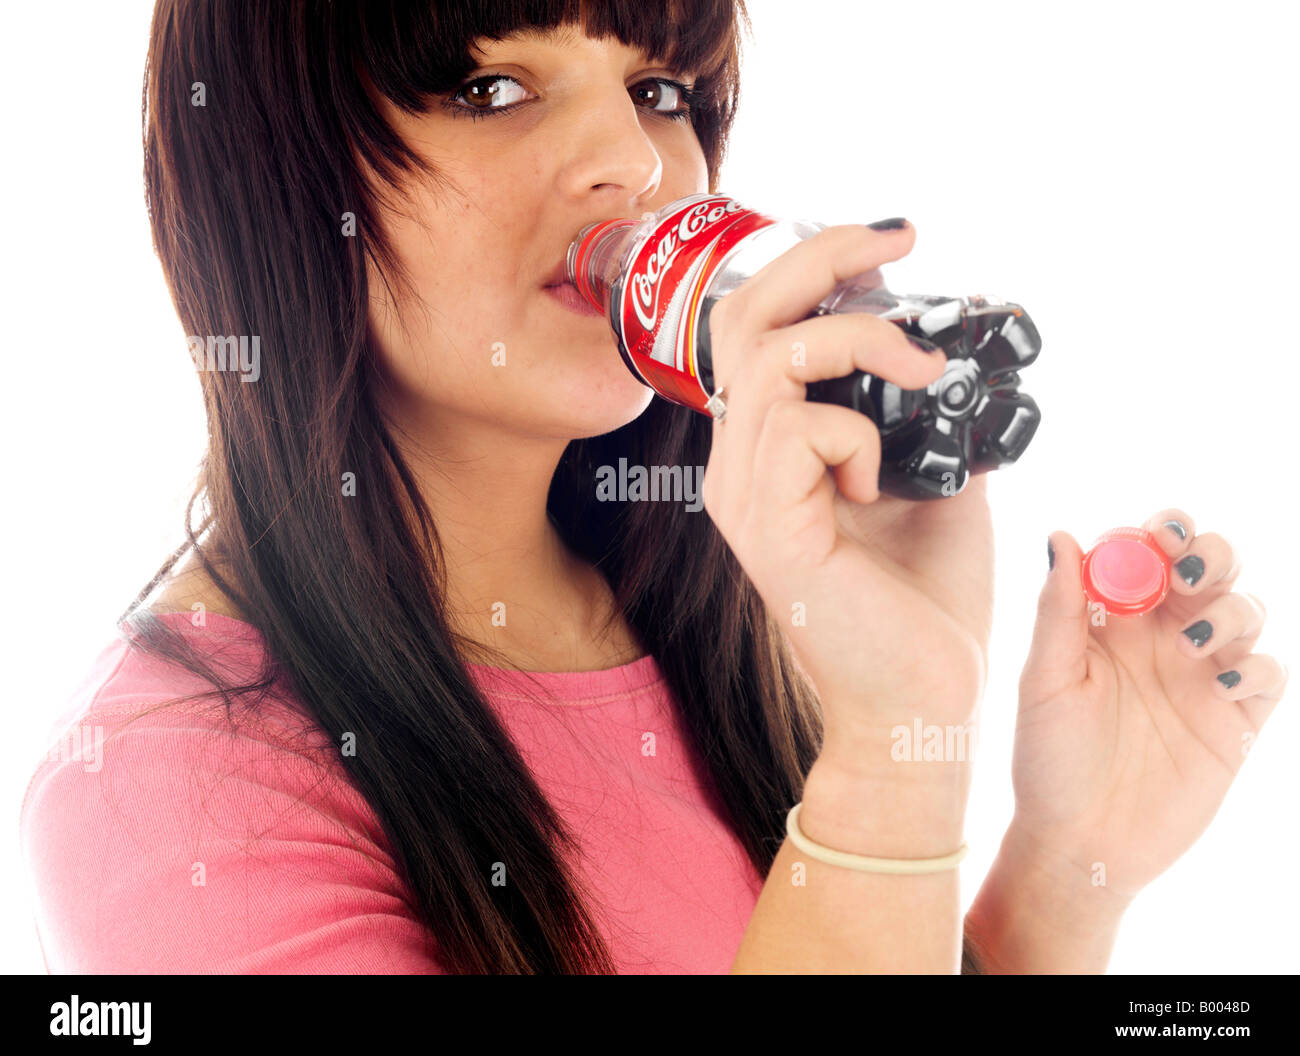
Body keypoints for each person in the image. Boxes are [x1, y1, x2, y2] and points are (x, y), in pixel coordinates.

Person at [19, 0, 1287, 975]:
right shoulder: (165, 784)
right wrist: (889, 770)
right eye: (491, 84)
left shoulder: (729, 601)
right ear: (269, 174)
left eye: (660, 86)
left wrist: (1065, 872)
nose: (631, 161)